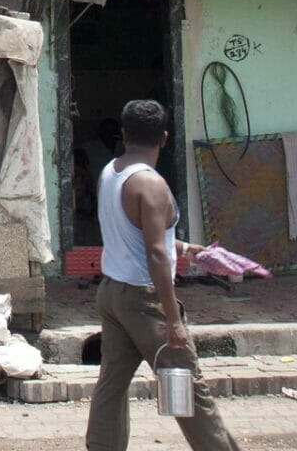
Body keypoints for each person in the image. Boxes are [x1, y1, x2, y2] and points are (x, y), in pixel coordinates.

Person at [86, 99, 240, 451]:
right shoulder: (151, 186)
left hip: (112, 293)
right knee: (187, 387)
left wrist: (185, 248)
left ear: (124, 135)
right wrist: (173, 319)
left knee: (112, 385)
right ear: (165, 138)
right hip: (144, 300)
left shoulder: (111, 172)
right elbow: (155, 252)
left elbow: (138, 235)